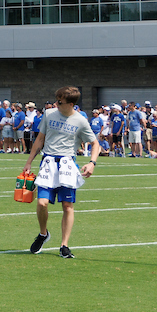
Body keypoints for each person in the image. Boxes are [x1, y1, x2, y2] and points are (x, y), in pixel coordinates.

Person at [23, 86, 100, 259]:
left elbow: (95, 144)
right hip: (48, 162)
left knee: (67, 206)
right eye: (56, 100)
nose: (56, 104)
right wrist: (29, 162)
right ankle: (43, 234)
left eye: (60, 101)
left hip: (67, 164)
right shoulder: (49, 114)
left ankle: (64, 245)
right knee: (42, 202)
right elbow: (40, 139)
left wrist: (92, 163)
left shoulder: (80, 120)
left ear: (71, 104)